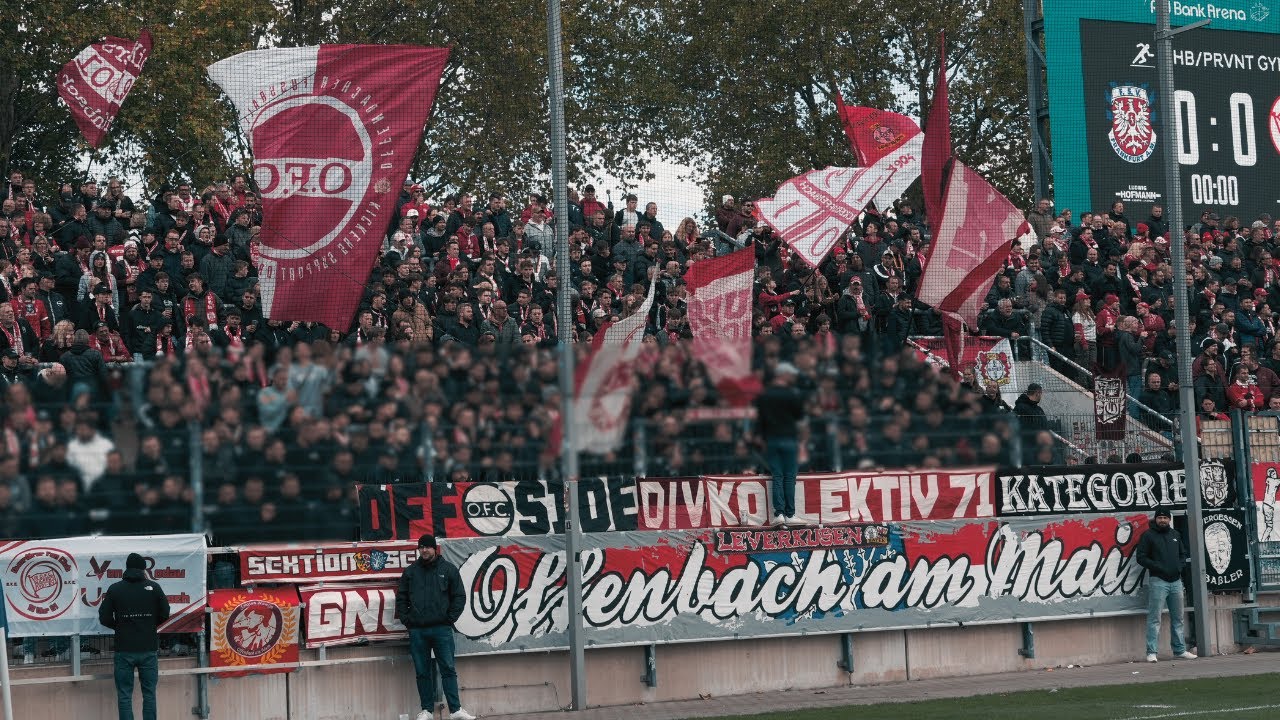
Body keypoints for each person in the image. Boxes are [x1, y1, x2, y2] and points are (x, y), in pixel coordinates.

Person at [396, 535, 475, 720]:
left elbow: (459, 596)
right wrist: (409, 621)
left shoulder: (448, 569)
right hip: (418, 631)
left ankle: (455, 711)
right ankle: (427, 711)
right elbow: (401, 598)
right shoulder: (410, 572)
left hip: (442, 630)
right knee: (422, 672)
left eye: (428, 547)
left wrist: (449, 619)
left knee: (448, 669)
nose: (424, 550)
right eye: (421, 547)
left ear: (435, 549)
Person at [99, 552, 170, 720]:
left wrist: (119, 627)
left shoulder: (115, 589)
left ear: (127, 568)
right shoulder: (154, 587)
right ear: (144, 569)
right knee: (149, 694)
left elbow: (104, 617)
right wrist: (149, 626)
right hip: (148, 648)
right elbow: (165, 613)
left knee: (124, 695)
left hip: (124, 649)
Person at [1135, 508, 1197, 663]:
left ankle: (1179, 650)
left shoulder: (1175, 534)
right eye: (1160, 517)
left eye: (1165, 517)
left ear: (1169, 519)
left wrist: (1179, 567)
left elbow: (1183, 554)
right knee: (1154, 618)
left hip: (1176, 582)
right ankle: (1151, 652)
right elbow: (1141, 557)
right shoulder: (1148, 535)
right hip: (1158, 581)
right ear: (1155, 519)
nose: (1162, 520)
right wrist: (1158, 567)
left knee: (1178, 618)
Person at [755, 362, 806, 526]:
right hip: (789, 439)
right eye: (791, 375)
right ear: (783, 375)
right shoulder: (792, 394)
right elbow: (799, 416)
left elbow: (760, 419)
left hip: (772, 440)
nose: (793, 377)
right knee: (789, 476)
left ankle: (779, 514)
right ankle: (790, 514)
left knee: (777, 476)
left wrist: (762, 437)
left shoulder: (764, 395)